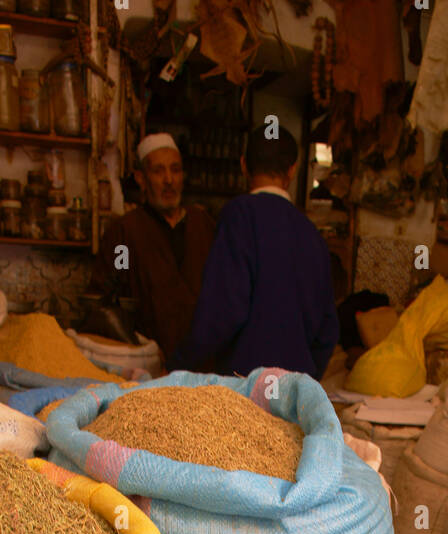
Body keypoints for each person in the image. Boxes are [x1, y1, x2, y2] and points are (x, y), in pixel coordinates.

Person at [170, 125, 340, 380]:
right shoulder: (312, 234)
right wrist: (304, 379)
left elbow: (223, 311)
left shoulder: (239, 216)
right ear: (292, 171)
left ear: (243, 166)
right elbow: (327, 331)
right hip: (296, 394)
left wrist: (179, 362)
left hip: (244, 390)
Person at [86, 133, 216, 362]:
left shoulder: (203, 225)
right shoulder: (125, 232)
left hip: (202, 365)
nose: (169, 180)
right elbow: (108, 292)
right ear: (141, 178)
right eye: (158, 171)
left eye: (175, 170)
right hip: (148, 365)